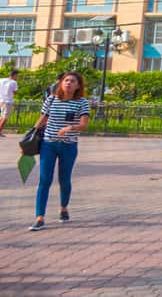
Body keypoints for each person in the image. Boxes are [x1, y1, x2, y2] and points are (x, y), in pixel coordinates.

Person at [29, 70, 90, 231]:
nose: (69, 83)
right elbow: (41, 120)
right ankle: (40, 217)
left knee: (64, 179)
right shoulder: (51, 99)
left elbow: (84, 125)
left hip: (68, 146)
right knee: (44, 180)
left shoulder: (82, 102)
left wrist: (70, 127)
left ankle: (63, 208)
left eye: (73, 81)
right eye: (66, 80)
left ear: (78, 86)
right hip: (48, 144)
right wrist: (27, 142)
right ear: (61, 83)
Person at [0, 68, 18, 137]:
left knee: (2, 116)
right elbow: (15, 92)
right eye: (17, 75)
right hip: (8, 101)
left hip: (1, 100)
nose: (17, 77)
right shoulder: (14, 82)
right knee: (5, 117)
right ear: (14, 75)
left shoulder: (1, 80)